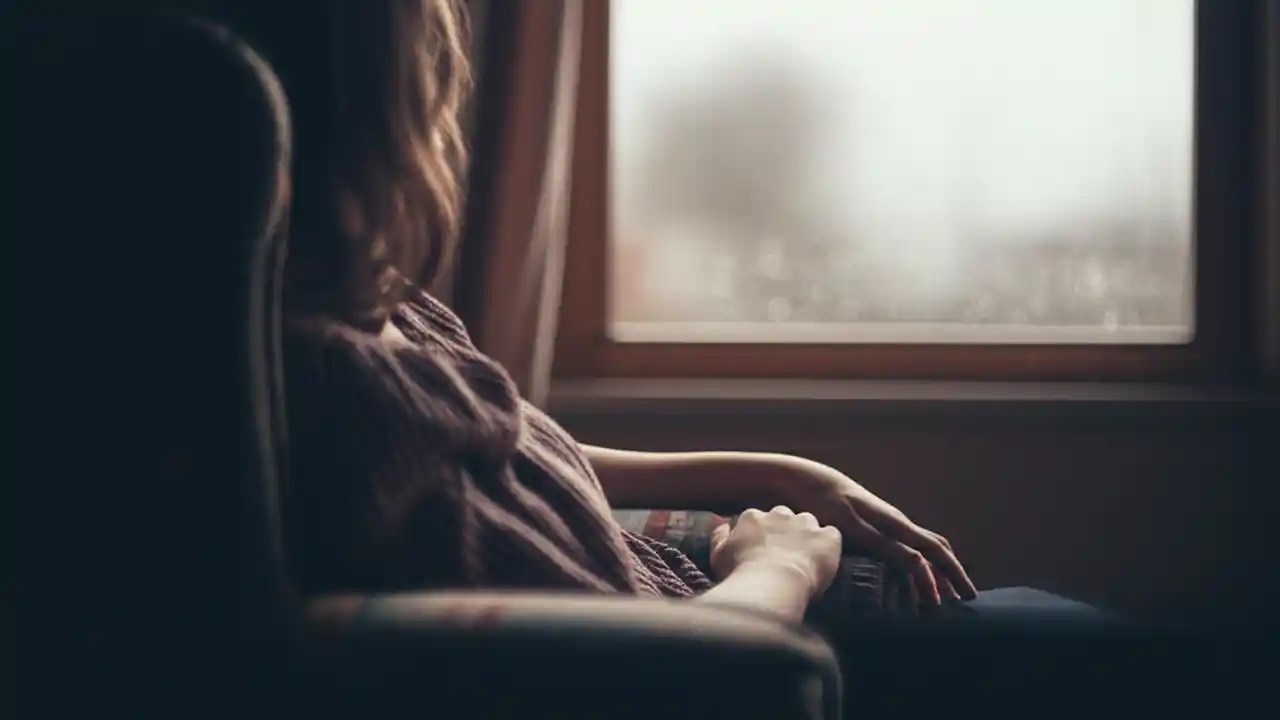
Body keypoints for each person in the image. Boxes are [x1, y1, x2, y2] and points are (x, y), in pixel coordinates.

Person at [218, 0, 1117, 707]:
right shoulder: (333, 387)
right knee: (1137, 665)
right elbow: (681, 680)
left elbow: (514, 448)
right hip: (776, 634)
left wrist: (782, 474)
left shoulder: (368, 308)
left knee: (1087, 633)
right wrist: (779, 565)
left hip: (766, 595)